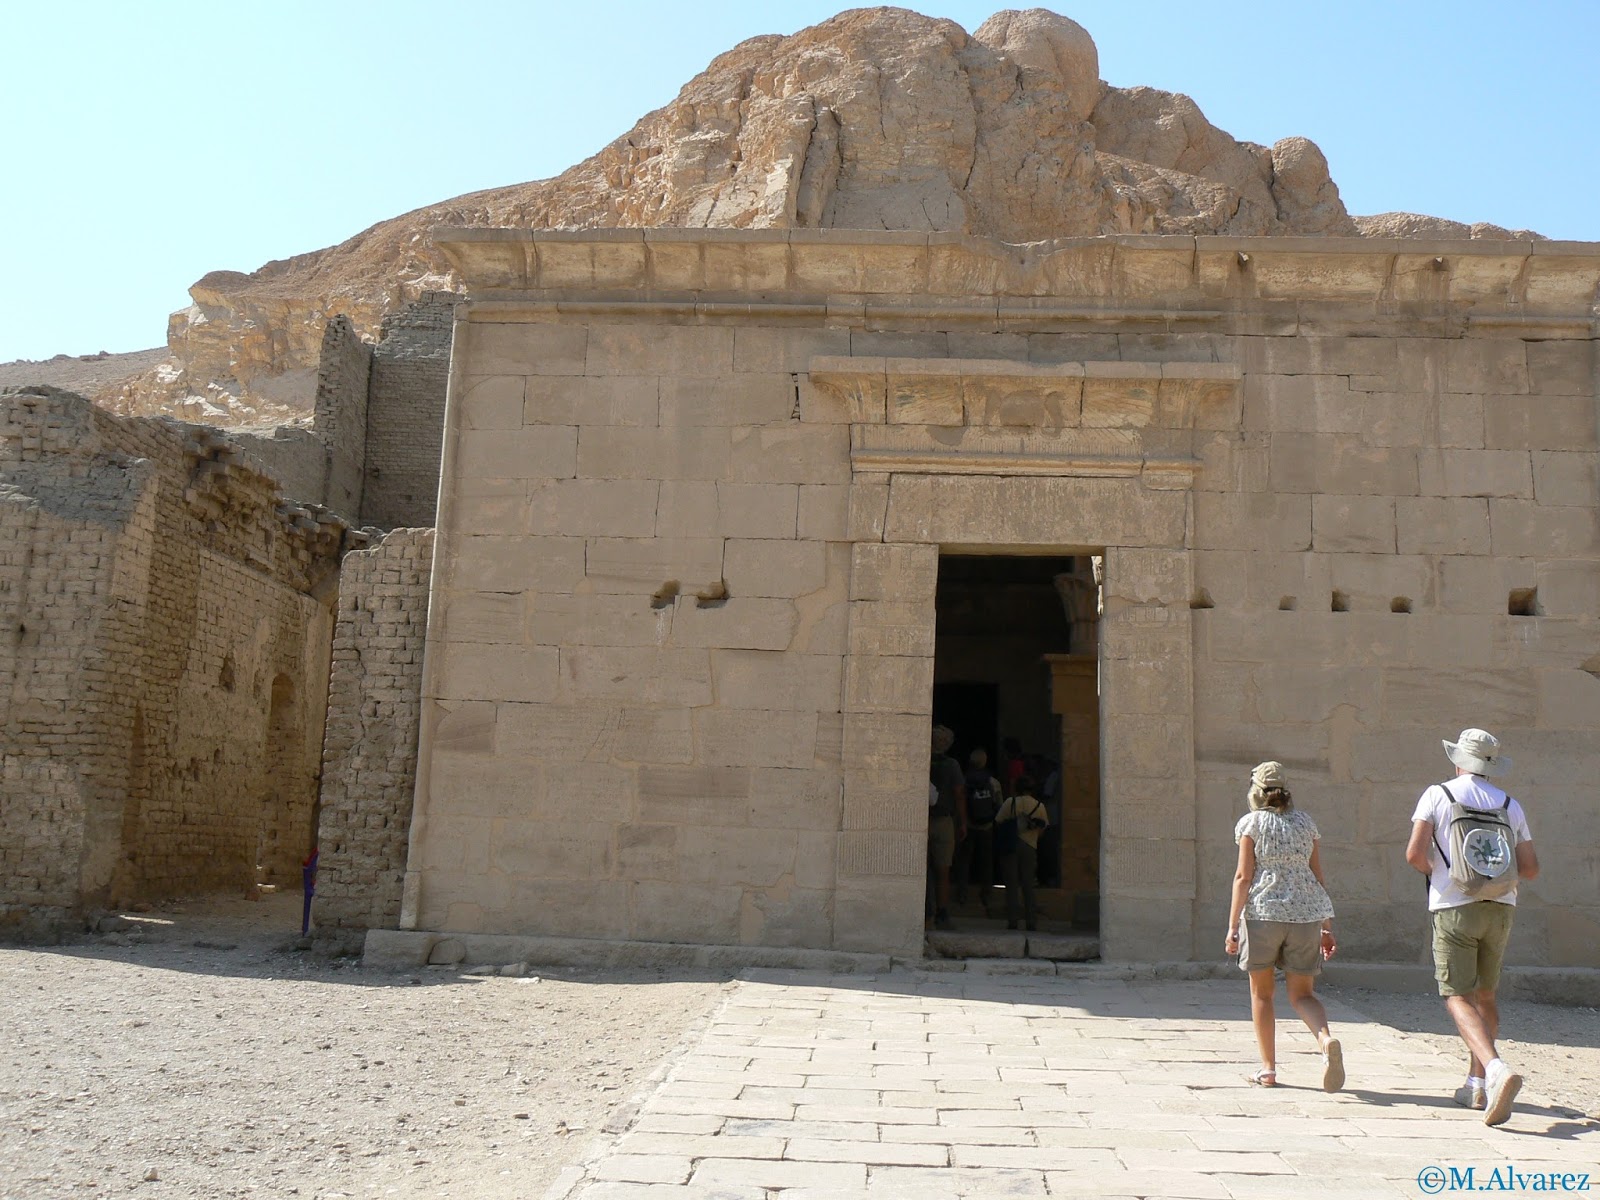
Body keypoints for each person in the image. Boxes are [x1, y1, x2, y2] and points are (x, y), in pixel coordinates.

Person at [1405, 728, 1539, 1126]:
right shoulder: (1510, 804)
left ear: (1458, 759)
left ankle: (1495, 1070)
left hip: (1454, 905)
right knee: (1486, 997)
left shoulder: (1438, 794)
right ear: (1490, 765)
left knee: (1456, 997)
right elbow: (1530, 869)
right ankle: (1475, 1085)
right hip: (1501, 907)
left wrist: (1442, 876)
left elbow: (1414, 854)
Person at [1224, 761, 1344, 1091]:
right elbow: (1318, 876)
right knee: (1303, 994)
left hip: (1263, 914)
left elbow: (1243, 877)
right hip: (1306, 916)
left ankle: (1268, 1068)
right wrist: (1326, 925)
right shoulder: (1306, 823)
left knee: (1262, 994)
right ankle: (1325, 1040)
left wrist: (1233, 926)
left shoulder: (1250, 824)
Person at [995, 775, 1048, 931]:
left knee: (1011, 884)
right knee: (1028, 884)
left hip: (1010, 845)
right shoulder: (1039, 806)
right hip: (1030, 846)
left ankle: (1013, 920)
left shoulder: (1010, 803)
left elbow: (998, 822)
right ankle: (1031, 921)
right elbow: (1042, 832)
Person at [927, 725, 966, 931]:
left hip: (922, 820)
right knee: (943, 870)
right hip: (943, 820)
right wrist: (962, 822)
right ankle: (942, 913)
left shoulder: (922, 760)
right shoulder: (952, 765)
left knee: (922, 869)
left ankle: (925, 911)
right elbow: (959, 794)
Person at [955, 749, 1002, 916]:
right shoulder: (993, 782)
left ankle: (962, 894)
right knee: (986, 862)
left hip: (968, 826)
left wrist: (963, 822)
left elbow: (959, 801)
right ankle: (986, 895)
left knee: (964, 861)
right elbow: (999, 804)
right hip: (986, 826)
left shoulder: (964, 780)